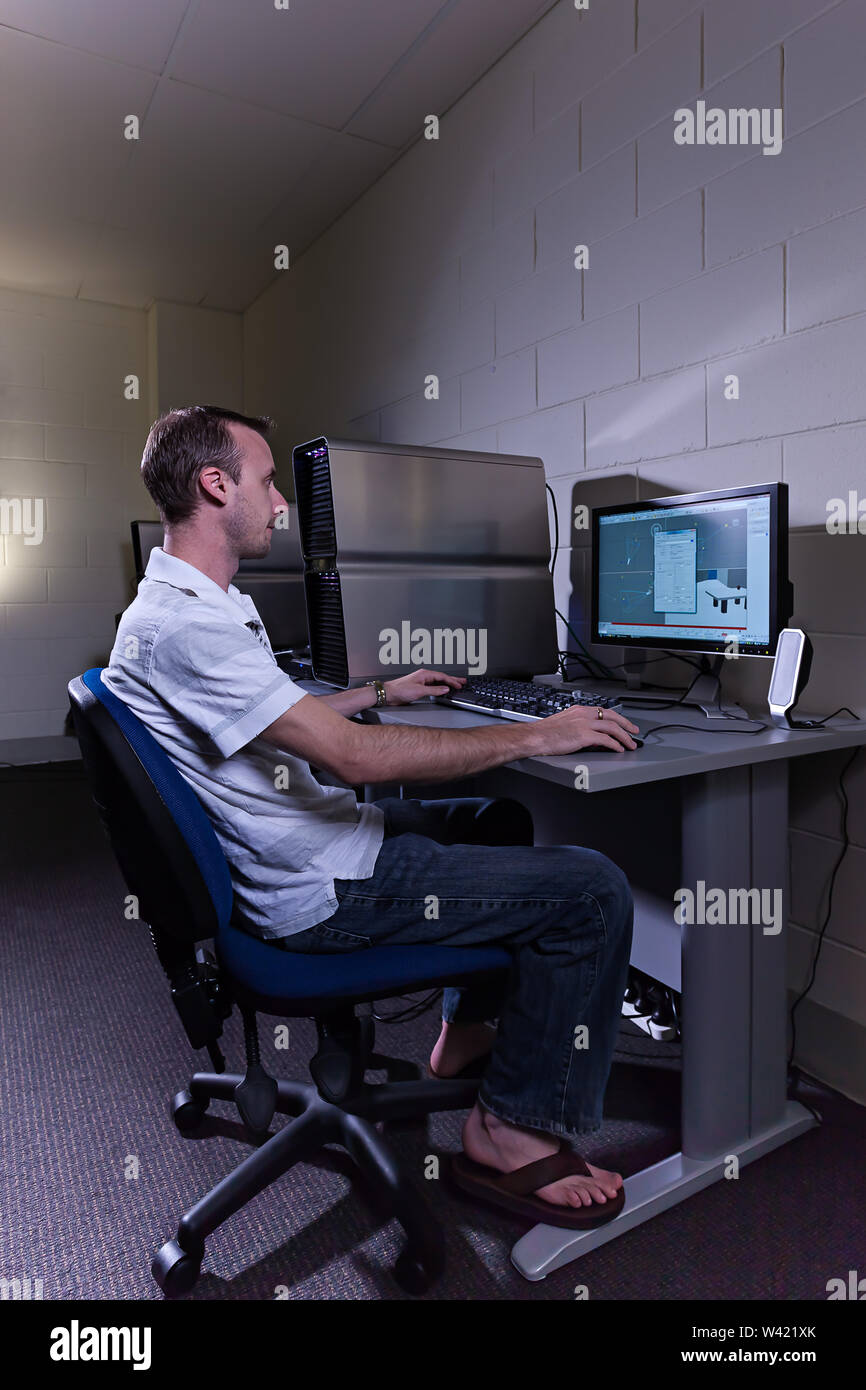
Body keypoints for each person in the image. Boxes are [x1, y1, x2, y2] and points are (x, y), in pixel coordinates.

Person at [105, 405, 639, 1229]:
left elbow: (274, 718)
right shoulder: (186, 624)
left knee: (494, 819)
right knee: (593, 891)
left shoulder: (183, 604)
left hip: (302, 851)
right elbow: (350, 761)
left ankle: (462, 1042)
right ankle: (510, 1133)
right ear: (216, 486)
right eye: (267, 479)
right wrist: (543, 731)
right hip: (320, 890)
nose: (282, 503)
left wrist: (380, 694)